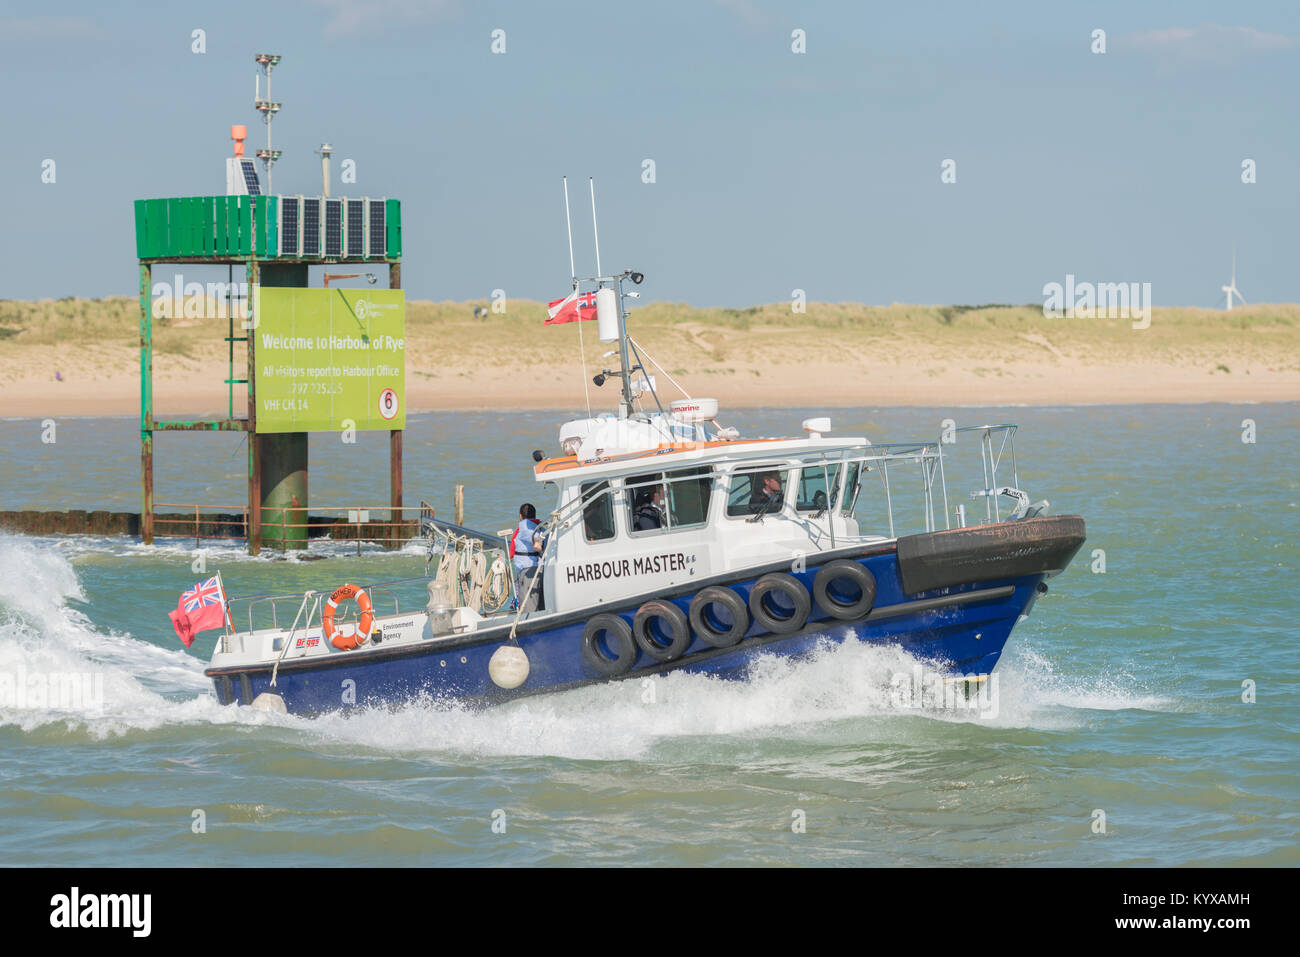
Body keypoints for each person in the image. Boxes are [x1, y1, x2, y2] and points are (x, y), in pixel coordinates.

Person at [510, 503, 545, 611]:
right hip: (535, 569)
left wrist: (538, 544)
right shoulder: (538, 526)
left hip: (529, 572)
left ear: (520, 516)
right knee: (539, 606)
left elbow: (535, 539)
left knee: (529, 609)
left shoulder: (525, 526)